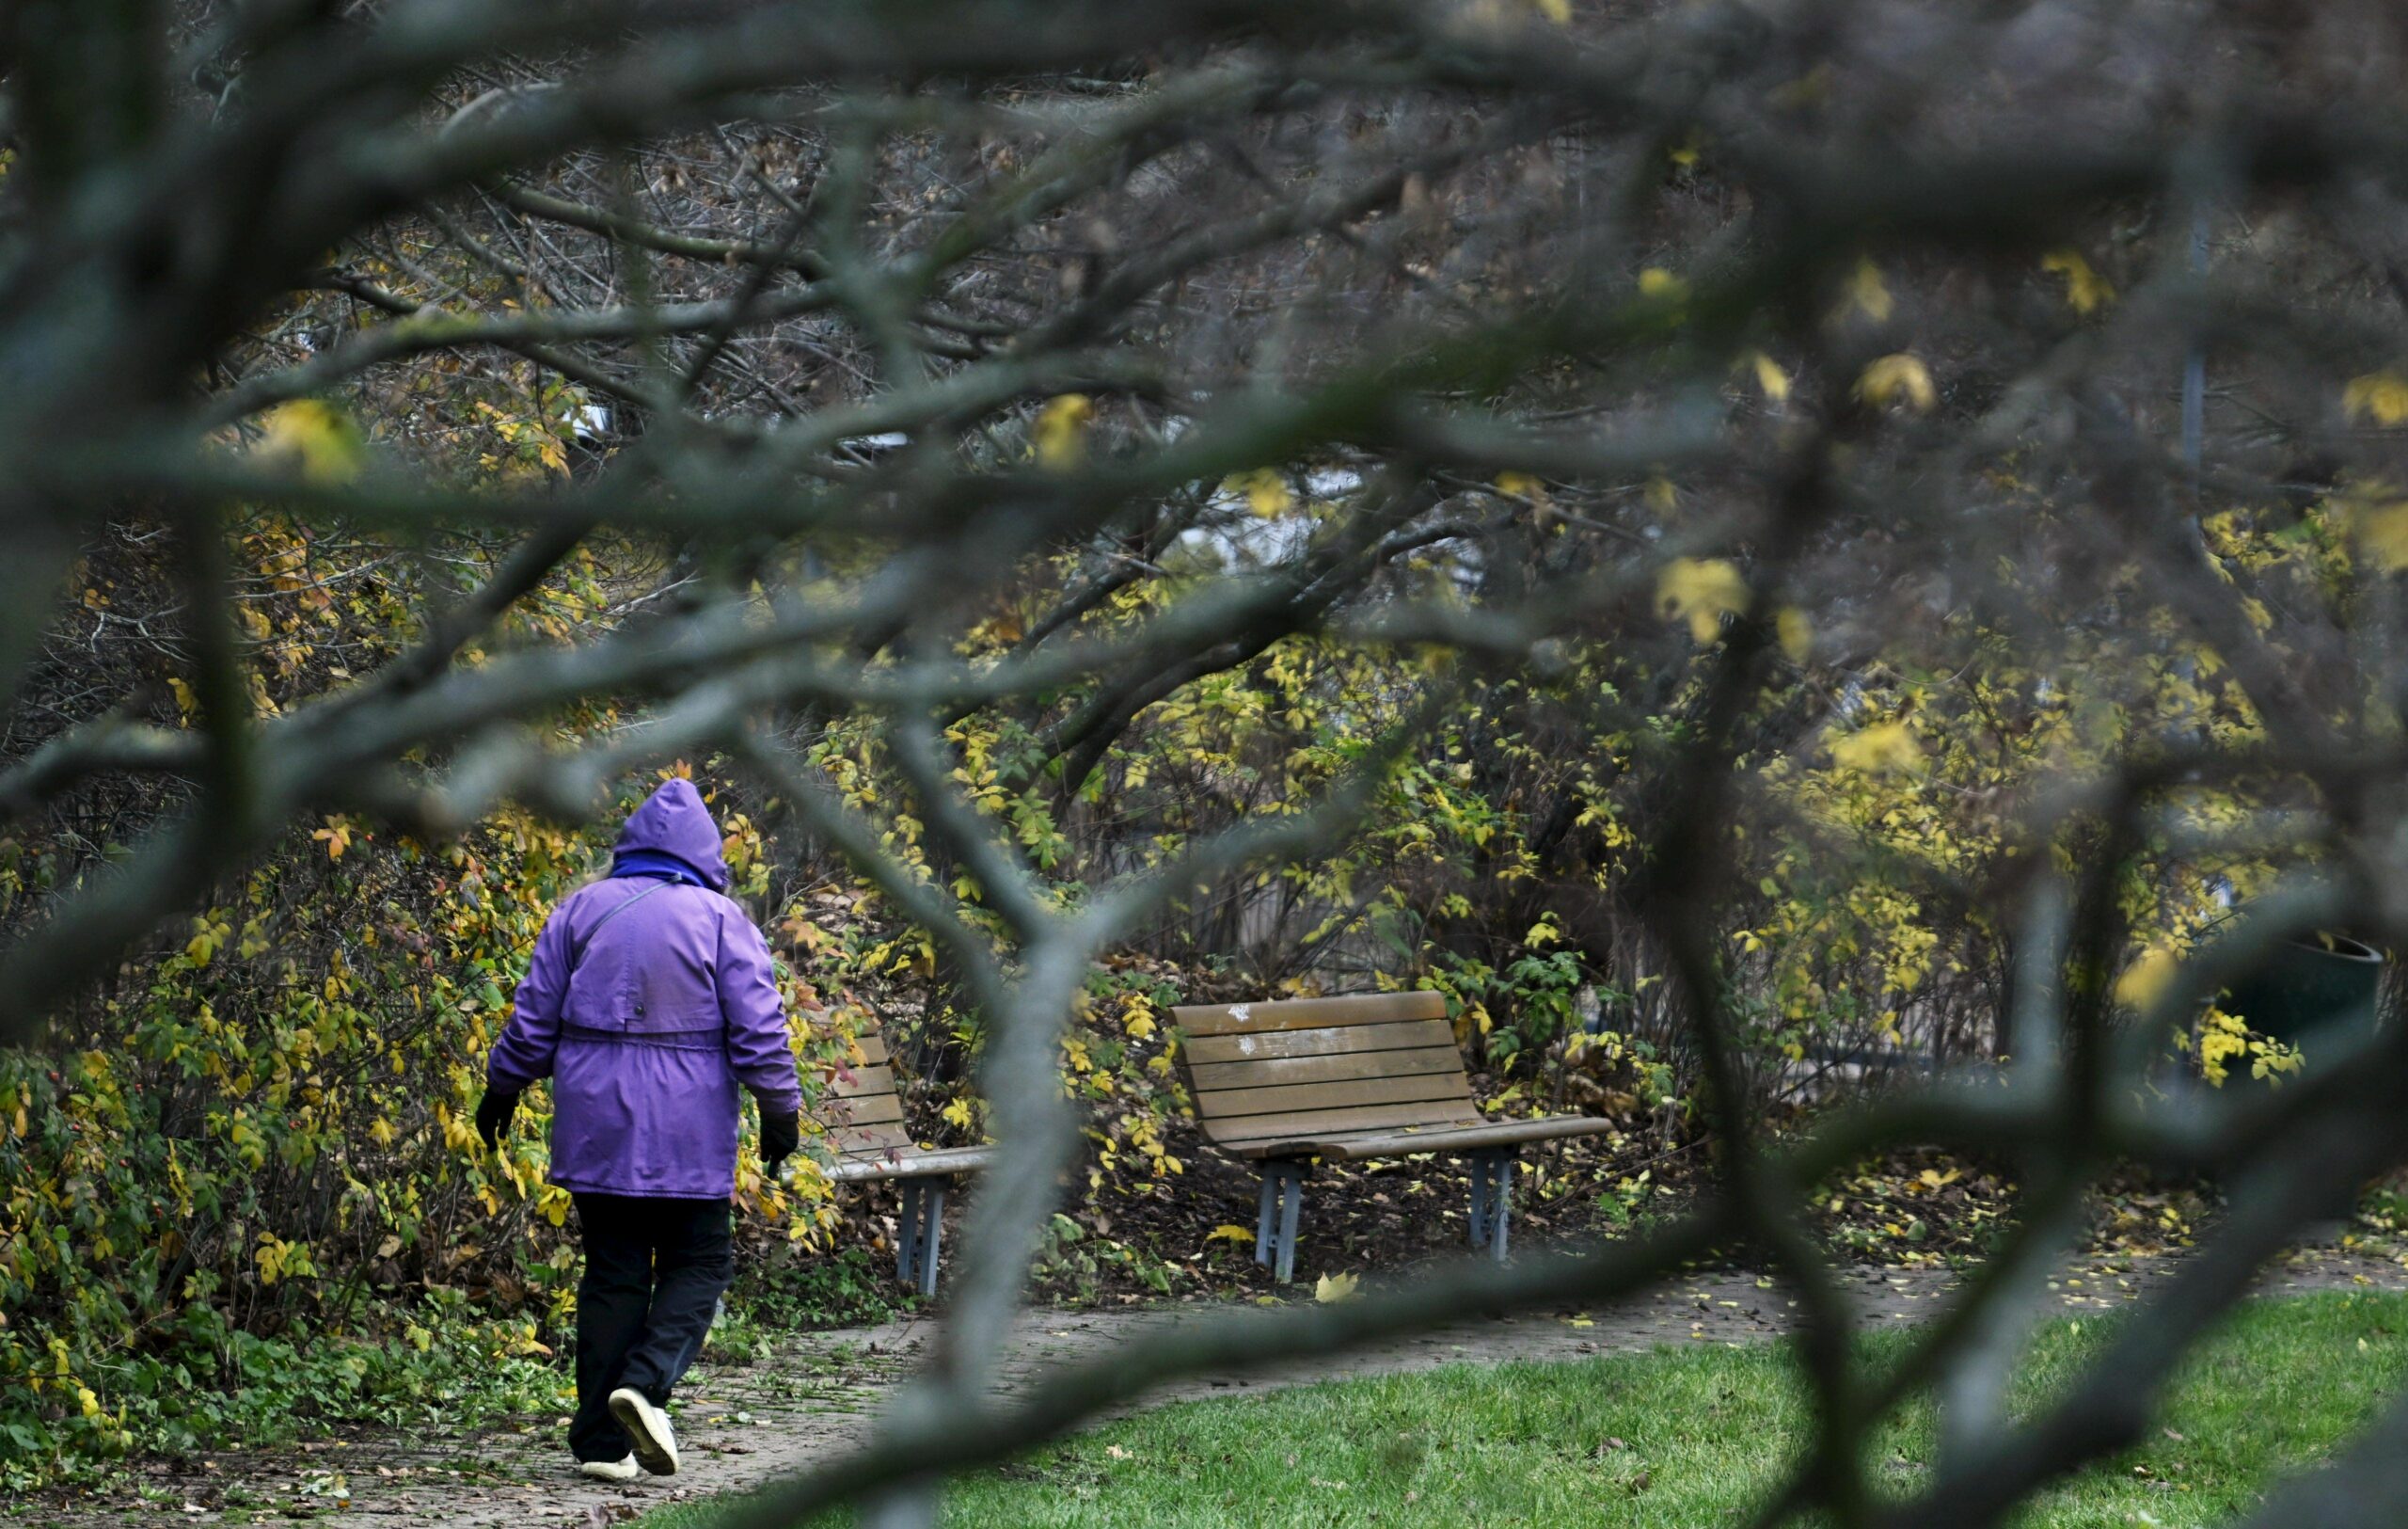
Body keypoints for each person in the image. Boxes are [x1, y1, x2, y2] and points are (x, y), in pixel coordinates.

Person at [474, 779, 802, 1481]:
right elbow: (760, 1031)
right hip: (686, 1137)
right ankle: (647, 1385)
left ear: (631, 844)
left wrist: (501, 1087)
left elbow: (533, 1019)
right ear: (706, 853)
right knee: (700, 1261)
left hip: (598, 1130)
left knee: (614, 1274)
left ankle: (601, 1442)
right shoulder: (720, 919)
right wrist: (781, 1111)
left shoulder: (580, 912)